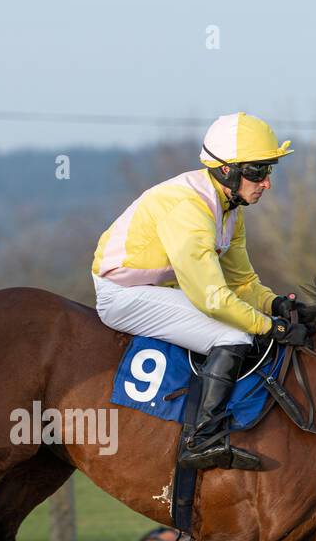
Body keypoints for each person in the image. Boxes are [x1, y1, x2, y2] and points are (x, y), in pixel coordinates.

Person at [92, 112, 304, 471]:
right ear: (226, 171)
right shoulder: (190, 208)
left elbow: (241, 283)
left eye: (269, 170)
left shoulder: (229, 209)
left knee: (244, 323)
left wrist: (274, 304)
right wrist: (268, 327)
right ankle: (202, 441)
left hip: (154, 290)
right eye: (257, 170)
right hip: (122, 295)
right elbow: (212, 298)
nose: (266, 182)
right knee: (234, 333)